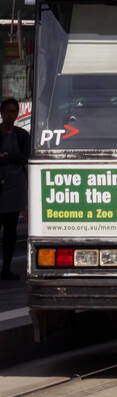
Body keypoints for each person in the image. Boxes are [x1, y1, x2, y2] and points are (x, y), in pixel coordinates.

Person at [0, 98, 29, 280]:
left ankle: (6, 268)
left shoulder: (22, 135)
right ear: (2, 113)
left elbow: (23, 157)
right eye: (7, 111)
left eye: (13, 111)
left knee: (10, 230)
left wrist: (5, 156)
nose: (10, 115)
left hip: (15, 187)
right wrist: (11, 157)